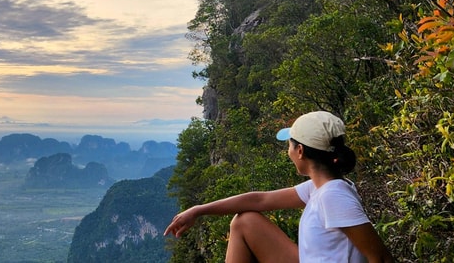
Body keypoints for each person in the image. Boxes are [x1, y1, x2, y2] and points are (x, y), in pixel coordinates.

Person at [163, 111, 394, 263]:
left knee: (244, 222)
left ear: (300, 151)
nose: (289, 152)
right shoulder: (321, 187)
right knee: (245, 221)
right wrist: (198, 210)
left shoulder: (333, 195)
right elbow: (259, 200)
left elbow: (381, 258)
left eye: (290, 145)